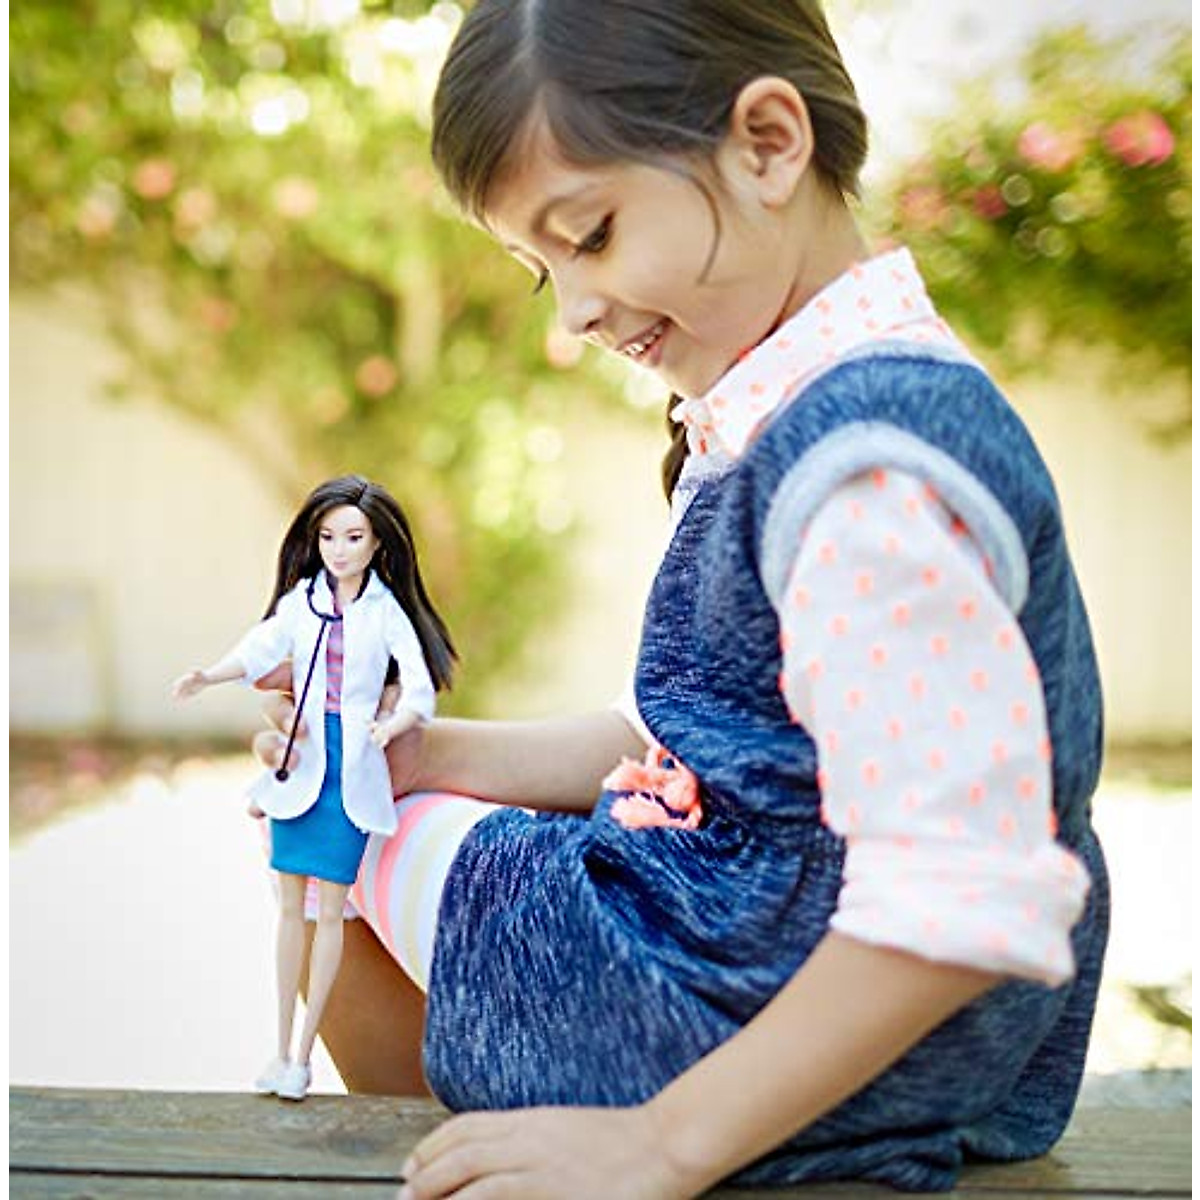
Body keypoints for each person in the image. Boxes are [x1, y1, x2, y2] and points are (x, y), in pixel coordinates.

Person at [251, 2, 1109, 1194]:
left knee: (348, 846)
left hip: (748, 1021)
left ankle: (452, 1162)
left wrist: (660, 1144)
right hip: (813, 994)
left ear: (767, 143)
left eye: (590, 236)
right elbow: (674, 740)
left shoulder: (867, 471)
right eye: (540, 268)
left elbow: (971, 888)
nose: (576, 314)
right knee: (365, 795)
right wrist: (419, 751)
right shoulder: (809, 412)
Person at [173, 474, 456, 1102]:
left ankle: (303, 1055)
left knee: (331, 913)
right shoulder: (303, 601)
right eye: (328, 536)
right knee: (290, 909)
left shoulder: (386, 614)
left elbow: (418, 686)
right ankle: (280, 1051)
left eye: (353, 537)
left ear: (379, 544)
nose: (338, 549)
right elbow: (259, 648)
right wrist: (210, 675)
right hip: (301, 766)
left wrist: (393, 724)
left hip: (350, 767)